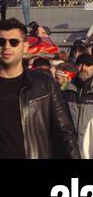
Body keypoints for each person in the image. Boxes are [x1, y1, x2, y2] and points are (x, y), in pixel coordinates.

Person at [0, 18, 78, 159]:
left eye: (14, 42)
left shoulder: (44, 84)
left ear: (25, 46)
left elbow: (65, 134)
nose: (7, 47)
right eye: (1, 42)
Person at [62, 53, 93, 143]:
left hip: (91, 145)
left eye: (87, 65)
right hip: (70, 145)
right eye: (80, 64)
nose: (83, 68)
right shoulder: (65, 89)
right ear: (75, 67)